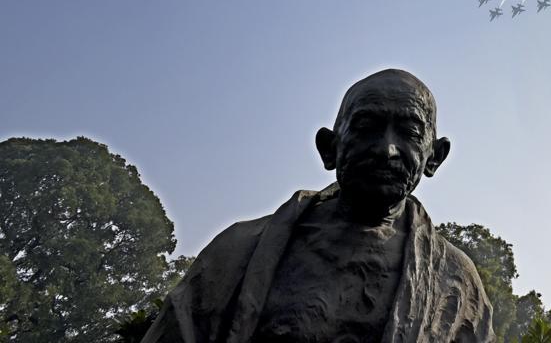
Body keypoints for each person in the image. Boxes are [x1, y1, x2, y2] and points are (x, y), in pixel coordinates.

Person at [143, 69, 495, 342]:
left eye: (410, 132)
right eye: (366, 127)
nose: (387, 149)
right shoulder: (236, 253)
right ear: (330, 148)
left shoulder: (456, 282)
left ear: (434, 158)